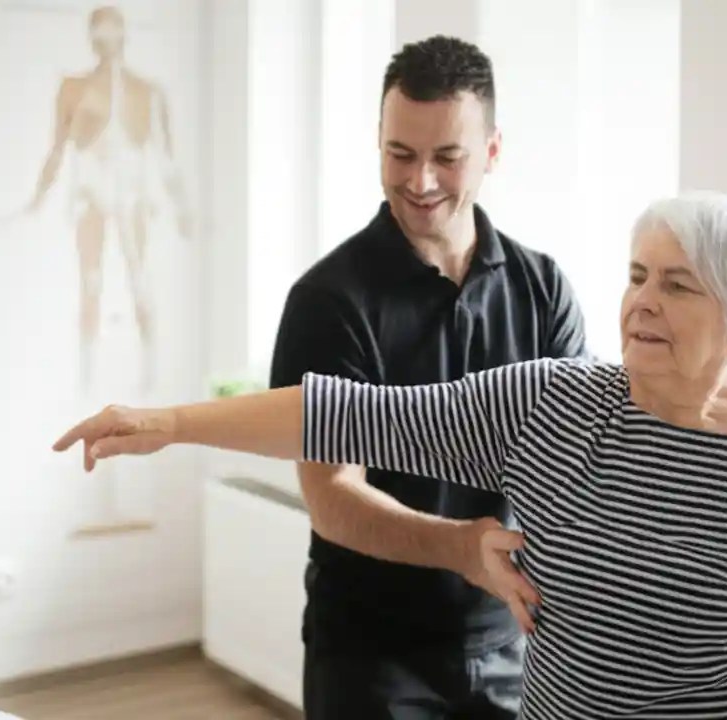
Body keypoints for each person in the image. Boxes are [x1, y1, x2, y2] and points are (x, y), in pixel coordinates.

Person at [54, 191, 727, 719]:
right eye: (638, 275)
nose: (642, 300)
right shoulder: (557, 402)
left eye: (678, 286)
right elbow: (354, 416)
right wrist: (171, 421)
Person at [264, 34, 588, 719]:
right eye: (400, 154)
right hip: (370, 659)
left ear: (493, 151)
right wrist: (462, 548)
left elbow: (573, 470)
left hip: (512, 642)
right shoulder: (328, 301)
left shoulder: (545, 290)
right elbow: (332, 497)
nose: (420, 181)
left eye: (447, 157)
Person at [25, 5, 194, 392]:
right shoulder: (74, 88)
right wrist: (36, 200)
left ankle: (151, 380)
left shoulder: (147, 92)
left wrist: (182, 209)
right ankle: (86, 381)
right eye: (98, 32)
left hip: (132, 192)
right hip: (92, 190)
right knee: (91, 281)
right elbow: (58, 148)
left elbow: (166, 159)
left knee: (139, 279)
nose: (105, 40)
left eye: (111, 30)